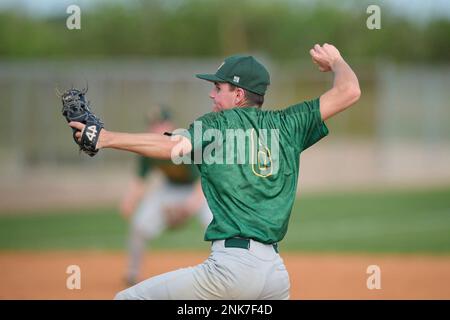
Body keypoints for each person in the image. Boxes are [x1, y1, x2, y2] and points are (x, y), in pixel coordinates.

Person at [69, 43, 360, 299]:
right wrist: (336, 61)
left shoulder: (216, 125)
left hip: (232, 269)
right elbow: (349, 90)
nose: (211, 94)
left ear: (238, 95)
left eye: (218, 88)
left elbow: (173, 146)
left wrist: (106, 138)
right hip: (275, 275)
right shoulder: (289, 124)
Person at [119, 105, 213, 286]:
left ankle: (223, 271)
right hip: (169, 188)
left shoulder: (184, 143)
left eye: (160, 124)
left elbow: (203, 180)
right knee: (139, 226)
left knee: (216, 225)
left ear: (171, 125)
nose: (156, 128)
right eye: (153, 125)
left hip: (202, 187)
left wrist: (189, 207)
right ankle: (133, 272)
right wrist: (130, 200)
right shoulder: (149, 147)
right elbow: (140, 179)